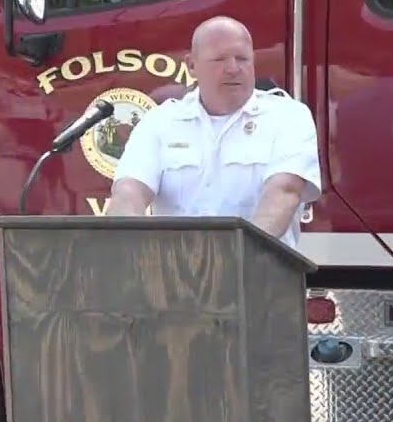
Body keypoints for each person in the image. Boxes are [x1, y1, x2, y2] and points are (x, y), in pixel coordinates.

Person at [106, 16, 322, 251]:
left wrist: (237, 257)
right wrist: (126, 251)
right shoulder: (160, 121)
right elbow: (128, 194)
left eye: (242, 59)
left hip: (257, 265)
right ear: (191, 65)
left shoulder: (288, 116)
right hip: (172, 266)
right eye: (220, 59)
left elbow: (284, 193)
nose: (233, 69)